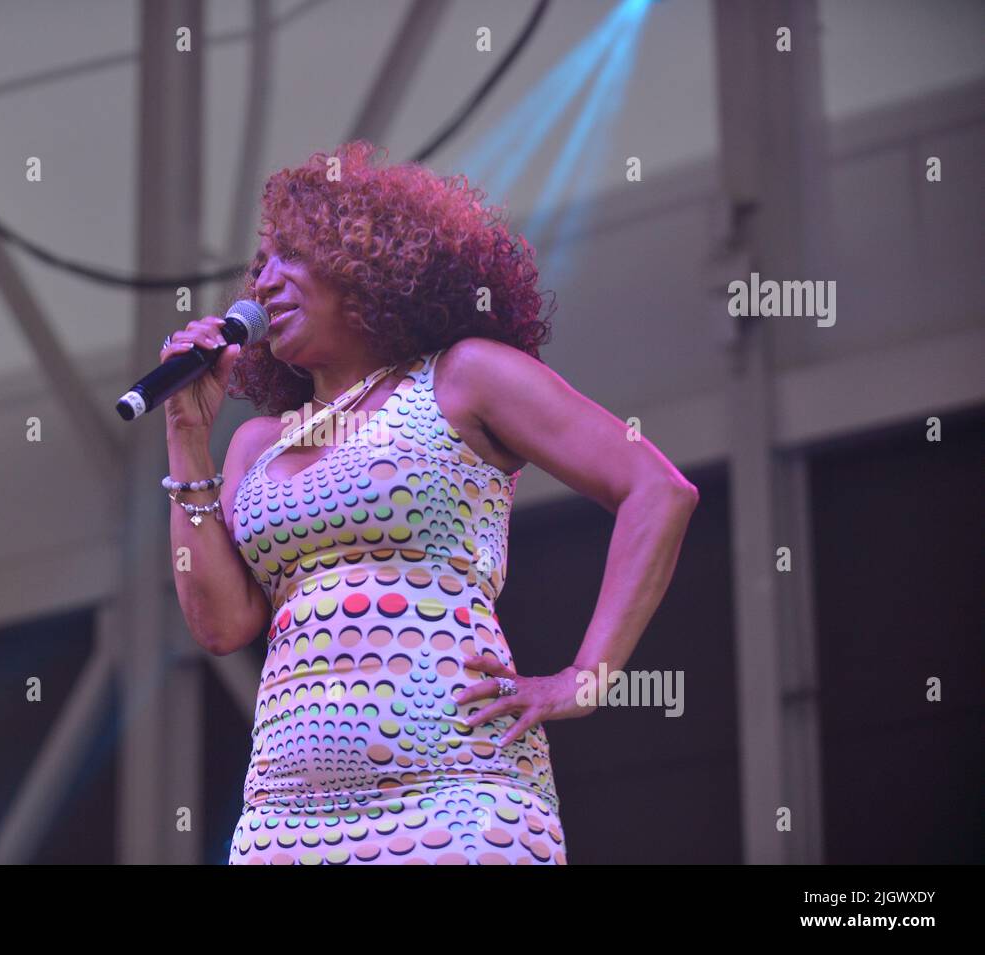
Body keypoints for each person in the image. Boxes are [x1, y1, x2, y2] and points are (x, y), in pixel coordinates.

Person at [160, 141, 699, 865]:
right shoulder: (257, 444)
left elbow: (656, 488)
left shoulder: (463, 378)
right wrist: (188, 439)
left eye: (291, 255)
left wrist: (586, 676)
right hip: (284, 823)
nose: (265, 285)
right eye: (259, 268)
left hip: (455, 795)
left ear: (366, 256)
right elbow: (222, 623)